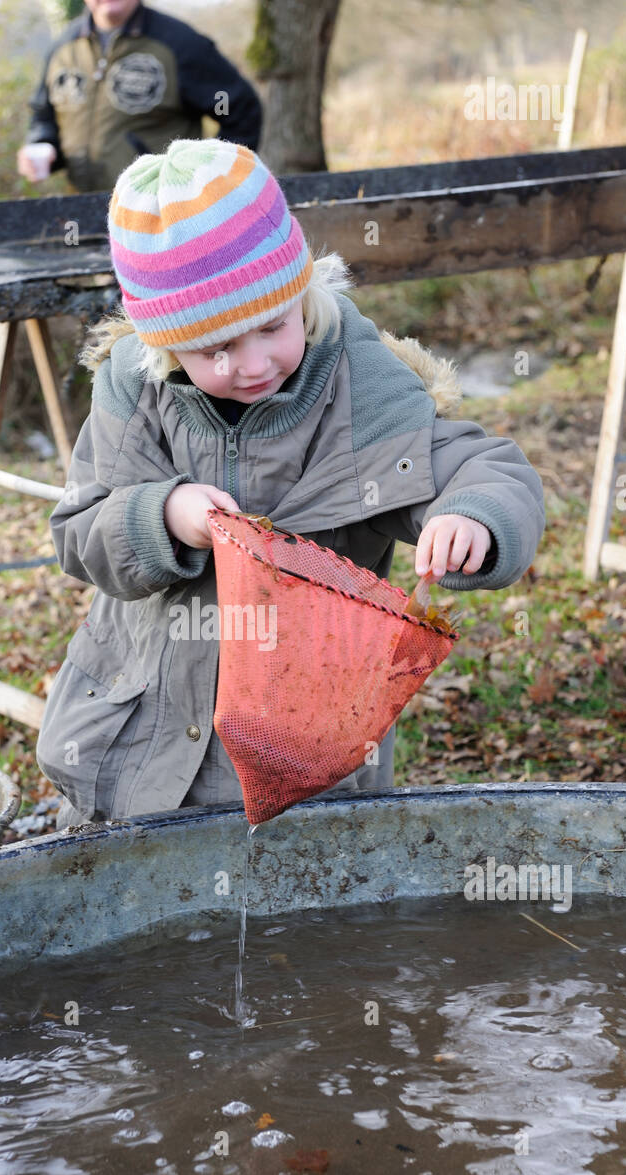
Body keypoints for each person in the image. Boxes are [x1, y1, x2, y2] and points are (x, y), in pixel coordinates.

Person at [36, 139, 545, 828]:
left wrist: (472, 517)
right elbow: (79, 528)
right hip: (137, 732)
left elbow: (481, 466)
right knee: (143, 918)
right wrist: (161, 516)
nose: (251, 364)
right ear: (165, 344)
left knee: (299, 917)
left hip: (307, 741)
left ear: (300, 296)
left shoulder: (361, 388)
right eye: (215, 347)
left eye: (271, 327)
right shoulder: (136, 390)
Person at [17, 0, 262, 192]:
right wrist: (43, 145)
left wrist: (210, 179)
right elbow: (44, 116)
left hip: (160, 217)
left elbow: (241, 109)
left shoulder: (179, 44)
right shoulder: (63, 48)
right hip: (85, 213)